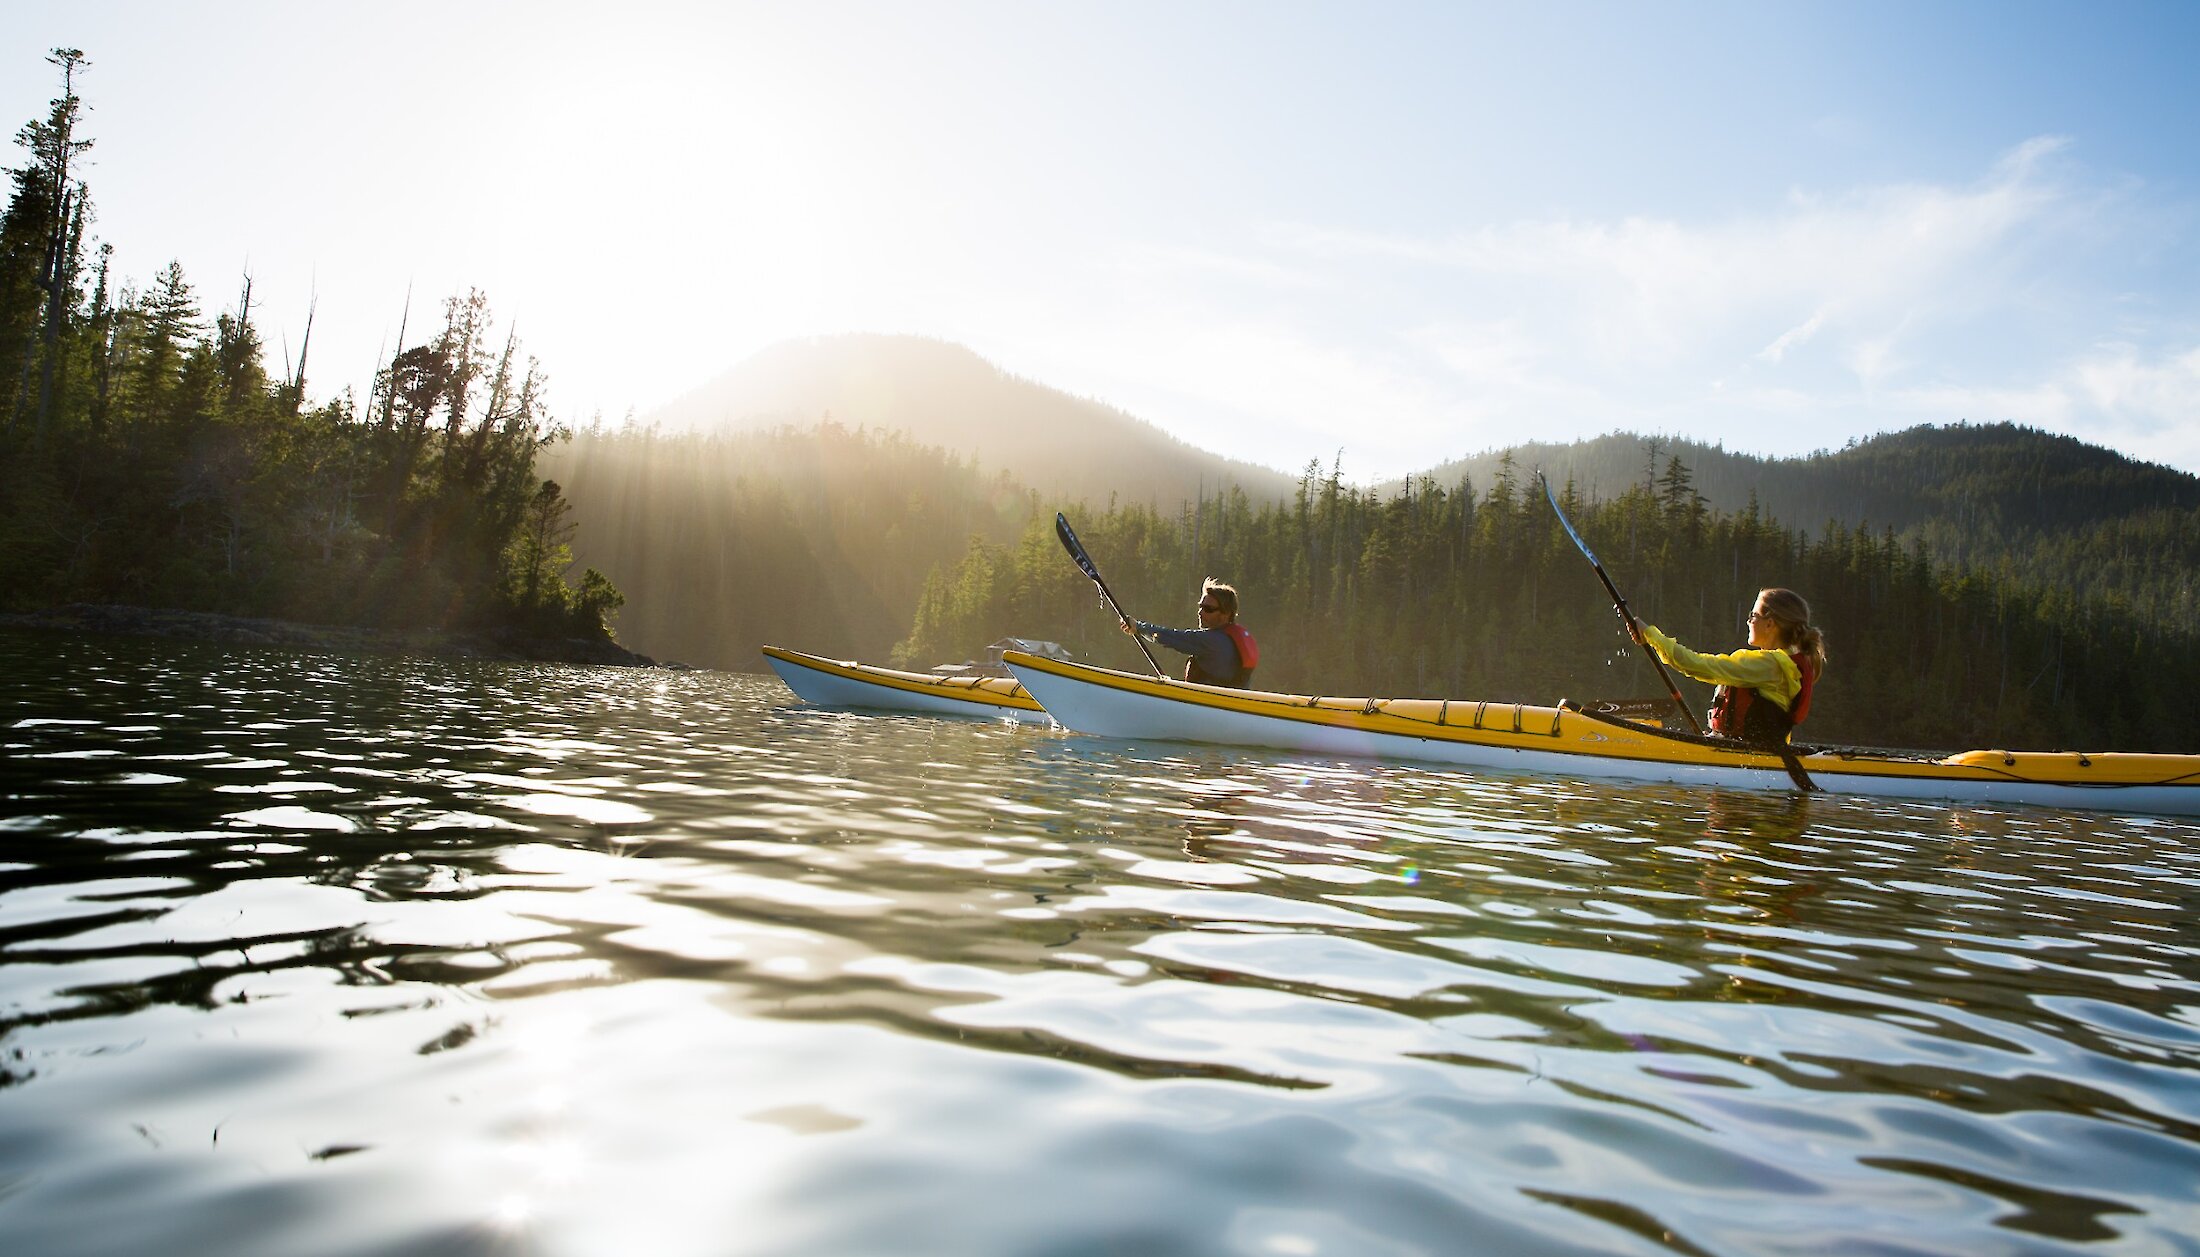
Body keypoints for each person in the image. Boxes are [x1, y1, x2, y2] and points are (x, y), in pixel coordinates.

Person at [1630, 587, 1826, 746]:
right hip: (1745, 751)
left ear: (1770, 624)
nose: (1749, 621)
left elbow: (1693, 664)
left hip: (1748, 758)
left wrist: (1649, 634)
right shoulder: (1781, 663)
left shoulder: (1768, 665)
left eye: (1753, 615)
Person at [1124, 577, 1258, 687]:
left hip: (1209, 707)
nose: (1200, 612)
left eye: (1208, 609)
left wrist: (1138, 627)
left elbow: (1171, 637)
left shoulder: (1211, 641)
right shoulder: (1236, 638)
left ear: (1225, 614)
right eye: (1201, 606)